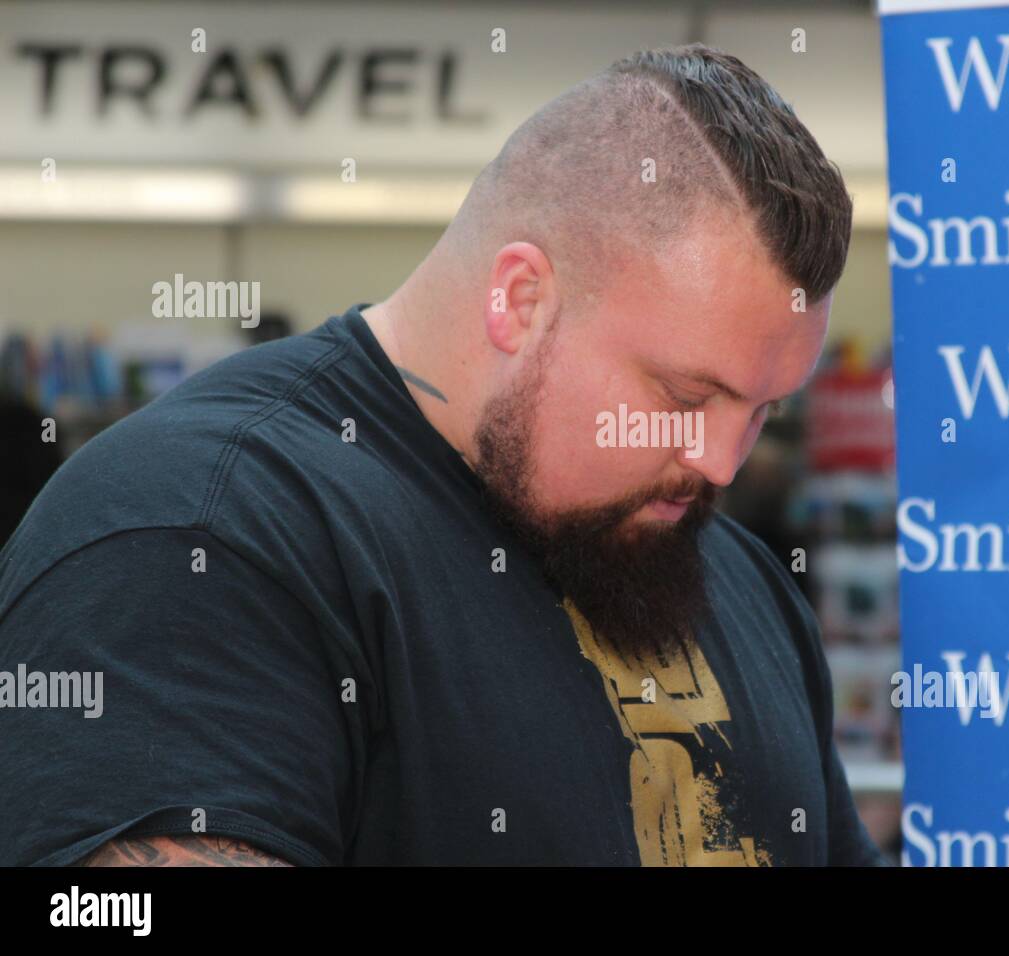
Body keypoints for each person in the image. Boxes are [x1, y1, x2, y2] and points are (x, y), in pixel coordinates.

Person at [0, 44, 890, 867]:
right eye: (686, 398)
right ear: (520, 300)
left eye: (763, 409)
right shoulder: (202, 534)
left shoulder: (743, 586)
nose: (723, 464)